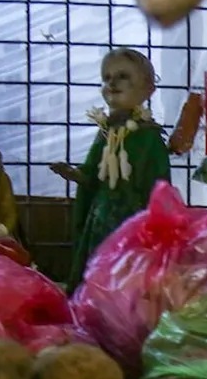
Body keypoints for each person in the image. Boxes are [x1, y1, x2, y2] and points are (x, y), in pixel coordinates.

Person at [52, 47, 171, 291]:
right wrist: (77, 175)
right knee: (96, 274)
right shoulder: (106, 132)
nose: (112, 83)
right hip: (100, 220)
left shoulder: (149, 138)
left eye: (123, 76)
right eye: (107, 78)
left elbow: (160, 187)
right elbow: (94, 174)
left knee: (127, 280)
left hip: (133, 223)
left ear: (148, 88)